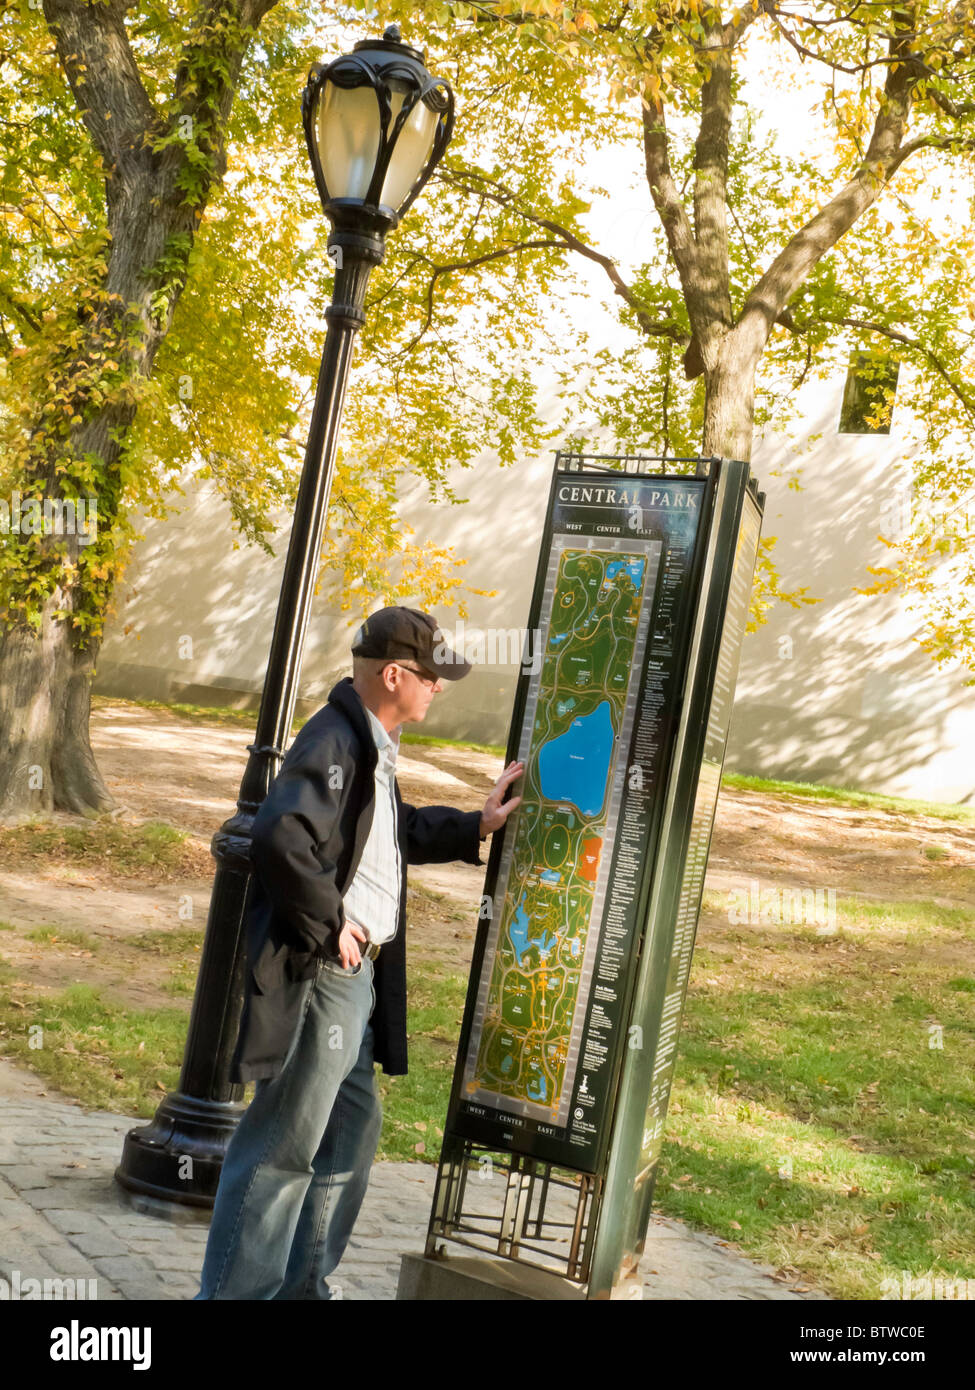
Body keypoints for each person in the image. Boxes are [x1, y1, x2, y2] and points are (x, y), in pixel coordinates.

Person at [195, 606, 523, 1300]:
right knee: (282, 1146)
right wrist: (330, 922)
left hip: (357, 980)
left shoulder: (368, 741)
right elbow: (280, 836)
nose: (440, 687)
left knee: (348, 1138)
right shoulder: (334, 740)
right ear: (394, 674)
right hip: (323, 974)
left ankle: (300, 1288)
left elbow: (387, 831)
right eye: (432, 677)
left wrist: (476, 825)